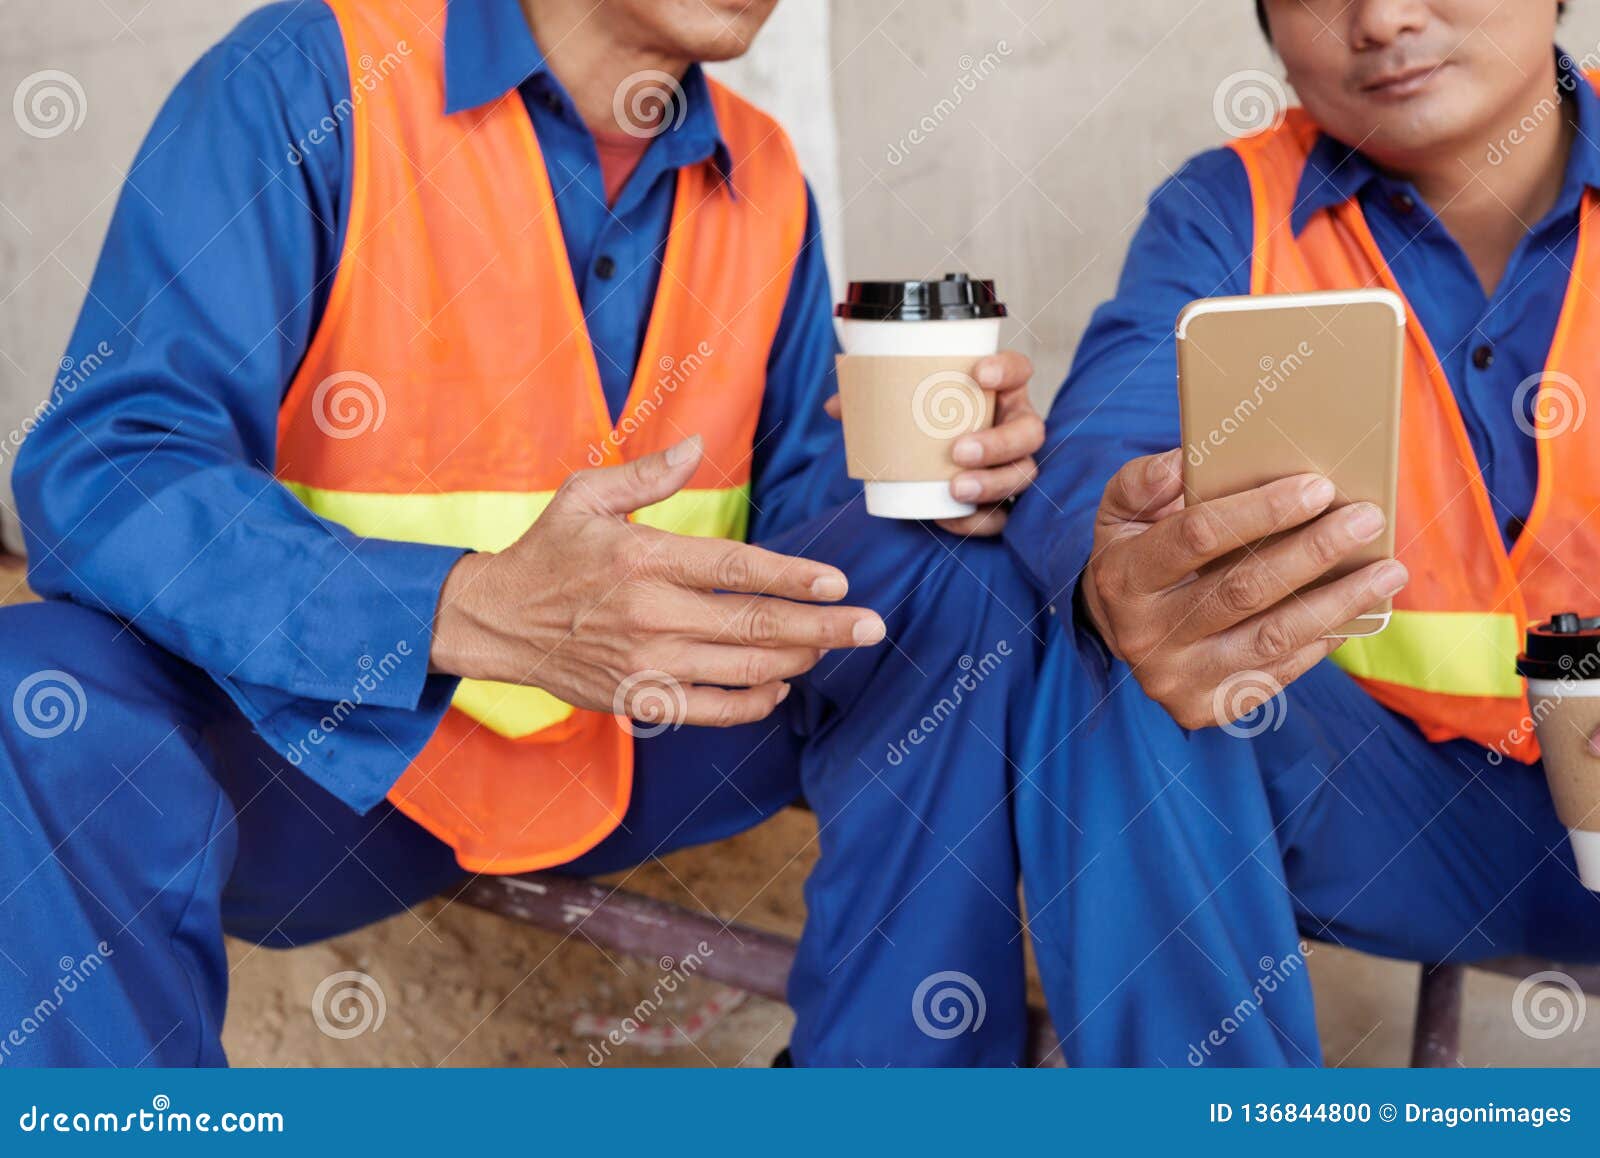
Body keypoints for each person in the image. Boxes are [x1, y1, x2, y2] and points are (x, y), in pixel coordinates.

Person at [0, 0, 1046, 1067]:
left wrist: (937, 488)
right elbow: (108, 469)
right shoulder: (307, 81)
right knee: (38, 691)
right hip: (330, 763)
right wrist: (454, 608)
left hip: (650, 738)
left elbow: (794, 532)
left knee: (955, 582)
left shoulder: (762, 172)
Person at [1007, 0, 1600, 1066]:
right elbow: (1099, 451)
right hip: (1391, 817)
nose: (1378, 19)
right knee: (1132, 641)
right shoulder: (1225, 211)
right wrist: (1118, 569)